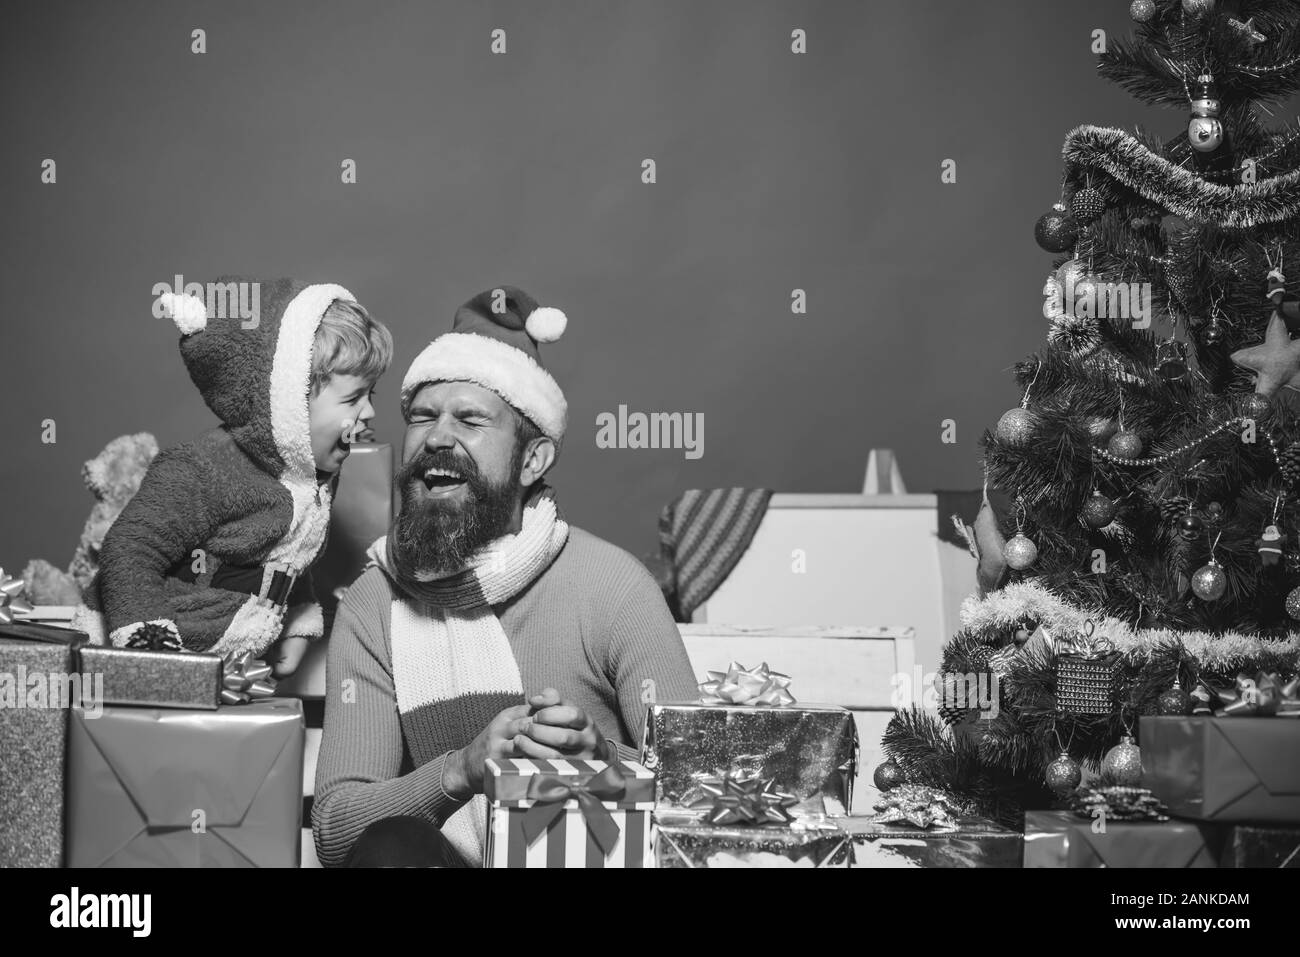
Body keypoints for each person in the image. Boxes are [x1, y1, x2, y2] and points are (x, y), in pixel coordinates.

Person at [312, 285, 698, 867]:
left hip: (582, 856)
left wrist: (603, 765)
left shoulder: (611, 585)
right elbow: (339, 831)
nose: (437, 437)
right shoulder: (376, 600)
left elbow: (702, 798)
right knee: (391, 849)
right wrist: (461, 771)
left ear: (532, 460)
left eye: (470, 420)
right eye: (422, 416)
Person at [74, 277, 392, 676]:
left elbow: (289, 554)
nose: (369, 414)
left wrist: (297, 622)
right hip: (144, 658)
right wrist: (150, 647)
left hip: (219, 663)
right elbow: (128, 549)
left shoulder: (312, 479)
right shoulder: (203, 468)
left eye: (371, 395)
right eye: (352, 398)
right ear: (287, 402)